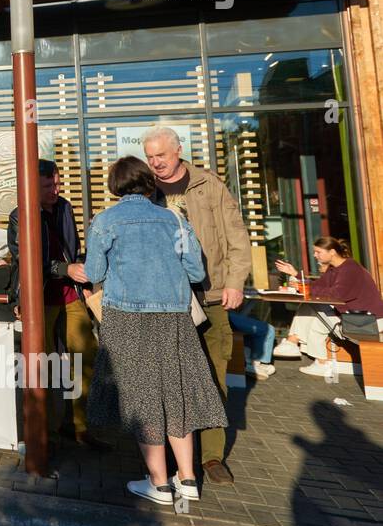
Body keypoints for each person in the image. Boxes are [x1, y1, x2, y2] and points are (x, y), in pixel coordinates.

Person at [84, 156, 227, 507]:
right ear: (148, 183)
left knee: (143, 398)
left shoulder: (105, 221)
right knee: (176, 394)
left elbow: (94, 269)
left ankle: (160, 484)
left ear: (115, 186)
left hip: (126, 317)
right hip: (174, 317)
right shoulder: (174, 221)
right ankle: (189, 479)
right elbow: (195, 271)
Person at [143, 126, 250, 486]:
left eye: (161, 155)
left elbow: (236, 236)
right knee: (164, 380)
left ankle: (212, 455)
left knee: (213, 375)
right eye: (150, 156)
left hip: (210, 294)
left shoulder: (209, 185)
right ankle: (168, 458)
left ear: (178, 151)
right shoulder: (146, 191)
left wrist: (235, 281)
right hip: (164, 299)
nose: (156, 162)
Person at [7, 159, 105, 451]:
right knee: (43, 366)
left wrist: (83, 285)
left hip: (71, 295)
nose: (56, 189)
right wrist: (65, 270)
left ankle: (76, 426)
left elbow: (72, 250)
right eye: (49, 185)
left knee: (86, 356)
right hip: (40, 299)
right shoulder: (19, 216)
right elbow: (26, 259)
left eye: (57, 183)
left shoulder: (65, 208)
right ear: (32, 186)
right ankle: (42, 432)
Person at [272, 237, 383, 376]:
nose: (314, 255)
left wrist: (305, 287)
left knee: (314, 310)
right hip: (351, 316)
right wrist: (295, 274)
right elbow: (317, 286)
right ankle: (312, 357)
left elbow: (337, 294)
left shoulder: (350, 268)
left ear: (332, 252)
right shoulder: (334, 269)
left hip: (366, 321)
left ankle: (294, 344)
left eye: (318, 252)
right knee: (313, 314)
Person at [229, 303, 277, 379]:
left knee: (252, 320)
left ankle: (249, 362)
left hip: (223, 313)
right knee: (269, 329)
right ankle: (258, 364)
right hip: (225, 315)